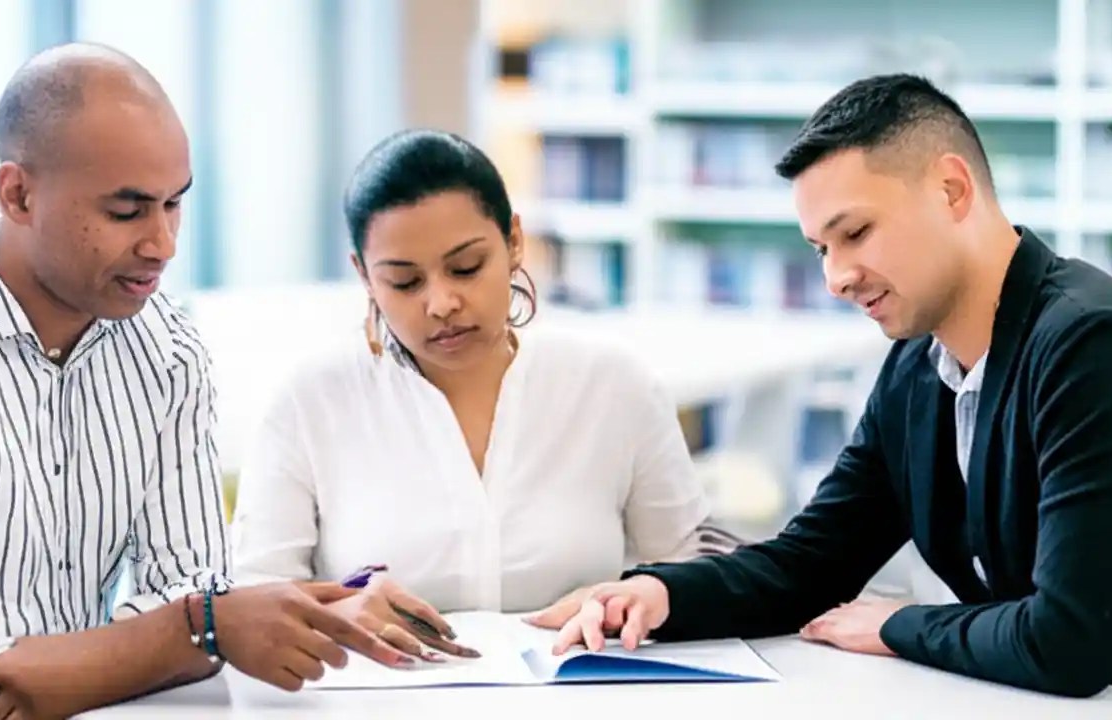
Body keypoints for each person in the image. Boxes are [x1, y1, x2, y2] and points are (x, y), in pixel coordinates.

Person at [0, 43, 406, 720]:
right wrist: (197, 626)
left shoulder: (166, 351)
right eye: (127, 210)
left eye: (174, 204)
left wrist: (186, 627)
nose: (163, 244)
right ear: (17, 194)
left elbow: (191, 591)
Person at [533, 74, 1112, 698]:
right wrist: (657, 594)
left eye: (856, 234)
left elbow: (1069, 640)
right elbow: (813, 562)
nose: (836, 279)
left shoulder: (1091, 344)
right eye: (821, 248)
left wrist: (898, 624)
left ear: (952, 191)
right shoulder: (917, 365)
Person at [229, 129, 738, 658]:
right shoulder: (310, 402)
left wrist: (631, 598)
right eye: (405, 282)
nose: (442, 302)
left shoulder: (614, 386)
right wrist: (336, 613)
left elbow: (686, 580)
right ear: (363, 274)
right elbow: (254, 600)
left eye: (466, 267)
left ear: (514, 241)